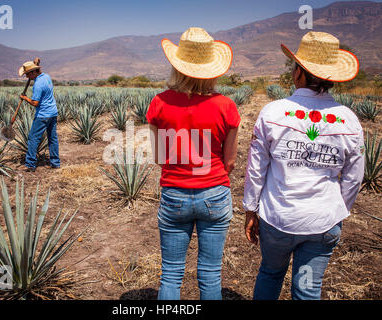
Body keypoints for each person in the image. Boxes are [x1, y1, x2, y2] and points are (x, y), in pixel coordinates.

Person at [243, 31, 364, 300]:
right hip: (323, 223)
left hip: (278, 220)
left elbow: (256, 168)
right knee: (307, 289)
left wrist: (251, 210)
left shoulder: (273, 112)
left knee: (271, 273)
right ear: (331, 78)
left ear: (298, 72)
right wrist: (337, 209)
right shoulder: (349, 120)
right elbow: (354, 177)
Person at [147, 27, 240, 300]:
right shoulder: (226, 106)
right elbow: (231, 162)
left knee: (172, 272)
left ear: (177, 66)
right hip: (215, 194)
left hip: (174, 194)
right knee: (211, 273)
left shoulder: (160, 103)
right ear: (213, 70)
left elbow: (159, 158)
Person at [18, 59, 60, 172]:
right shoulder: (47, 77)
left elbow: (35, 103)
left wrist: (25, 98)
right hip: (53, 112)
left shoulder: (37, 85)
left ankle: (30, 164)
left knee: (33, 139)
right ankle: (55, 163)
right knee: (52, 138)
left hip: (43, 115)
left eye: (27, 74)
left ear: (32, 72)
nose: (27, 77)